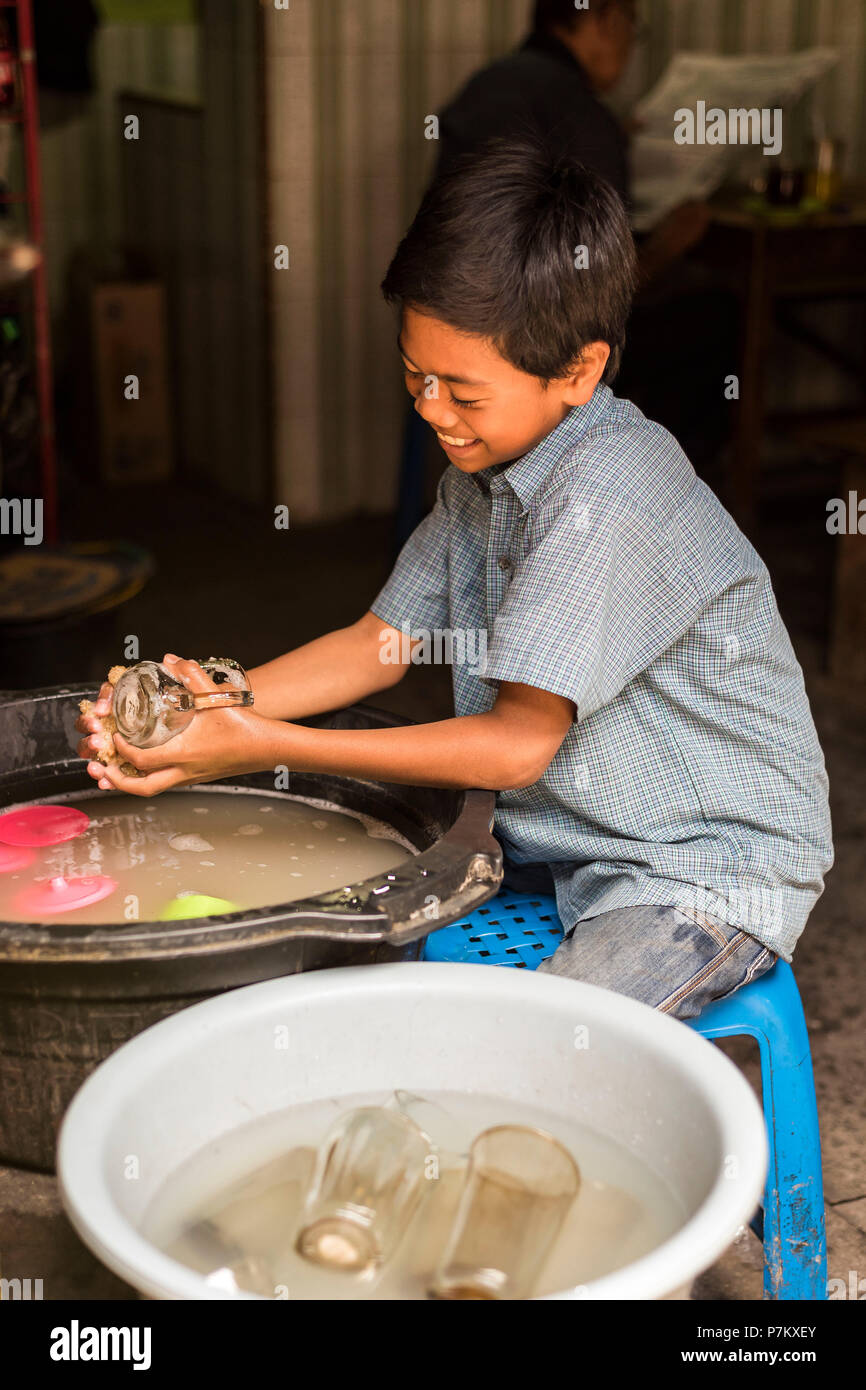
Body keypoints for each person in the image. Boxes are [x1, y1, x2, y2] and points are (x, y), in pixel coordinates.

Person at [77, 136, 833, 1019]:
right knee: (354, 960)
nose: (432, 410)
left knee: (532, 1053)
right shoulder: (482, 482)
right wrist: (209, 704)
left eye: (464, 393)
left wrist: (261, 745)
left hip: (697, 870)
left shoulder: (610, 493)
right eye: (415, 376)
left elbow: (516, 743)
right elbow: (379, 644)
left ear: (579, 370)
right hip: (570, 848)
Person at [432, 0, 734, 484]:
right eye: (631, 28)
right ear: (604, 19)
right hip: (525, 336)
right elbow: (599, 284)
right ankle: (661, 491)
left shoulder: (486, 85)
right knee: (711, 313)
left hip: (450, 322)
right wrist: (669, 244)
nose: (631, 46)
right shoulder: (577, 107)